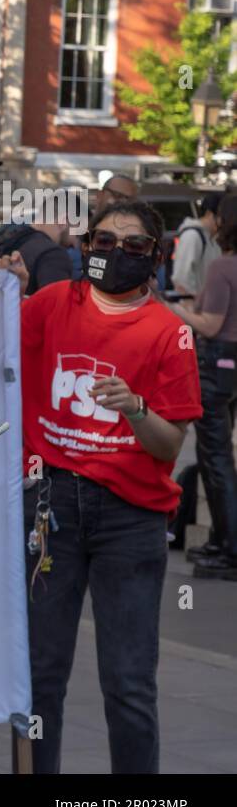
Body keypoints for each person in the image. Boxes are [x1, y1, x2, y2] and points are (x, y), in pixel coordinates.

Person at [20, 199, 201, 773]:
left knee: (128, 683)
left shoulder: (170, 334)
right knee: (38, 677)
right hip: (49, 507)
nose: (115, 253)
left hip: (131, 518)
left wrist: (136, 408)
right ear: (84, 244)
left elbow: (170, 446)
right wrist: (4, 292)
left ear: (155, 256)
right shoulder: (49, 306)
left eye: (134, 245)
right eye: (102, 240)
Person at [168, 194, 237, 580]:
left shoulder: (224, 266)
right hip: (235, 363)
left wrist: (171, 307)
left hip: (216, 361)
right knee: (222, 454)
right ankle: (221, 538)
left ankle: (229, 548)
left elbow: (209, 324)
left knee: (216, 456)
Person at [0, 192, 76, 295]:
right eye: (78, 234)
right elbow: (57, 307)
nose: (75, 245)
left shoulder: (0, 244)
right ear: (63, 221)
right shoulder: (54, 255)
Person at [171, 192, 224, 301]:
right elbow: (181, 278)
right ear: (209, 214)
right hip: (194, 310)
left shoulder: (213, 238)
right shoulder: (192, 236)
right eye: (222, 217)